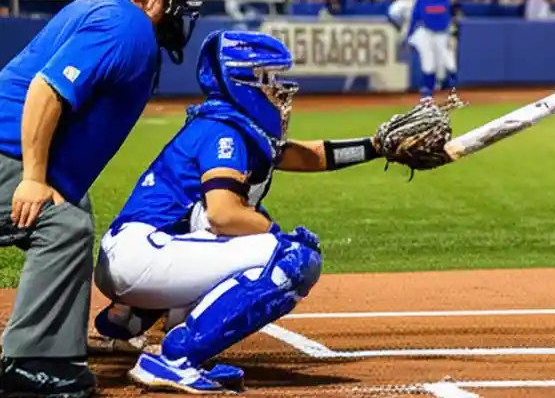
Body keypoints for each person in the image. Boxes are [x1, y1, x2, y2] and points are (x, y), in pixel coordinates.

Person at [92, 30, 436, 393]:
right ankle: (177, 358)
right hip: (143, 256)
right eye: (269, 78)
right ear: (243, 82)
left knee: (250, 229)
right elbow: (223, 215)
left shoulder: (229, 124)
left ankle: (126, 318)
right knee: (293, 258)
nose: (280, 87)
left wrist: (375, 147)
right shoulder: (225, 132)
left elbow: (309, 155)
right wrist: (277, 236)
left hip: (137, 255)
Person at [0, 0, 203, 397]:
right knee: (63, 224)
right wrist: (33, 177)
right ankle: (35, 364)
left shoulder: (98, 9)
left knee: (71, 207)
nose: (178, 15)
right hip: (6, 154)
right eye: (172, 2)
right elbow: (46, 90)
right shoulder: (125, 24)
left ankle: (54, 346)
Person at [406, 0, 457, 98]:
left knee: (445, 63)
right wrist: (410, 36)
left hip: (441, 35)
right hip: (428, 33)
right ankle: (427, 90)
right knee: (429, 63)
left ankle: (444, 87)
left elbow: (445, 19)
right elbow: (415, 18)